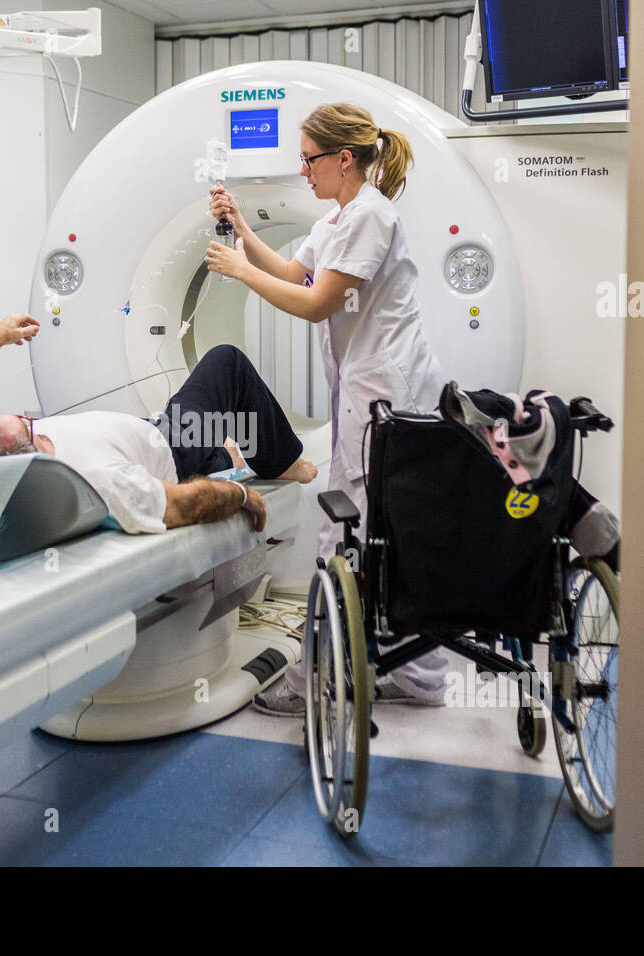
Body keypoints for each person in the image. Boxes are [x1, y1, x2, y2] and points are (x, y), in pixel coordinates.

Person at [204, 102, 448, 713]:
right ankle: (419, 679)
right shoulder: (339, 218)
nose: (303, 171)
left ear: (345, 159)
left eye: (310, 159)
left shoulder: (371, 216)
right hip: (369, 398)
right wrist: (241, 228)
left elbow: (315, 303)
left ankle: (313, 680)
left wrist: (236, 270)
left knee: (341, 537)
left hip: (385, 400)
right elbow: (291, 270)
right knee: (390, 536)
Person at [0, 315, 317, 534]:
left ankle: (225, 457)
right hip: (173, 446)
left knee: (221, 450)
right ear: (33, 461)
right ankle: (283, 463)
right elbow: (183, 506)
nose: (38, 425)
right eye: (31, 429)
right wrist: (240, 496)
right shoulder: (96, 478)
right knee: (226, 363)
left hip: (151, 437)